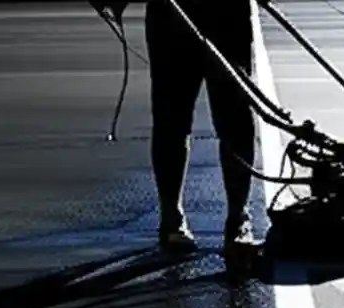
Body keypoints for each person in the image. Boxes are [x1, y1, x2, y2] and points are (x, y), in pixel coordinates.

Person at [90, 0, 262, 263]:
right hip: (170, 18)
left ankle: (238, 217)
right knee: (172, 119)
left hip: (228, 16)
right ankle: (171, 218)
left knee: (235, 118)